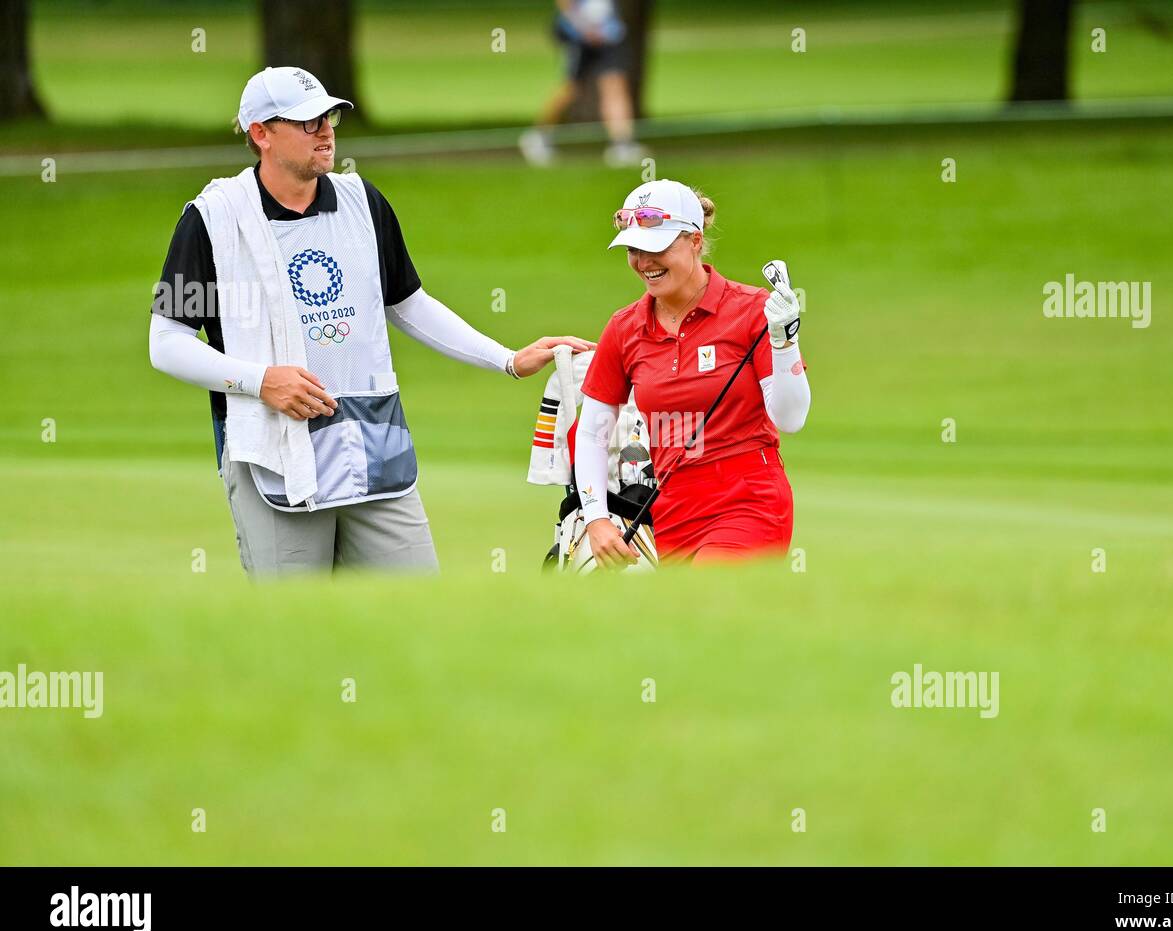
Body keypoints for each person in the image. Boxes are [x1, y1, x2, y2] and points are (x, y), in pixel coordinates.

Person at [149, 66, 593, 577]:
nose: (325, 130)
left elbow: (408, 304)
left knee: (417, 609)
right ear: (260, 134)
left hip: (373, 446)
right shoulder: (211, 218)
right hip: (275, 452)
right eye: (306, 121)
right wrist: (261, 381)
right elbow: (167, 341)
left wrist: (508, 359)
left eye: (329, 116)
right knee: (299, 626)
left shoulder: (364, 201)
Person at [574, 179, 811, 568]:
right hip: (674, 509)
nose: (643, 262)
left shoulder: (752, 309)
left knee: (710, 592)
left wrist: (784, 342)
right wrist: (597, 518)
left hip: (749, 498)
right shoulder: (624, 328)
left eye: (657, 248)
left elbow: (791, 418)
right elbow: (593, 430)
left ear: (695, 241)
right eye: (634, 250)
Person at [518, 0, 646, 168]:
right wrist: (584, 28)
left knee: (615, 86)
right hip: (580, 36)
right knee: (572, 89)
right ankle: (538, 136)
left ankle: (621, 144)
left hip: (608, 35)